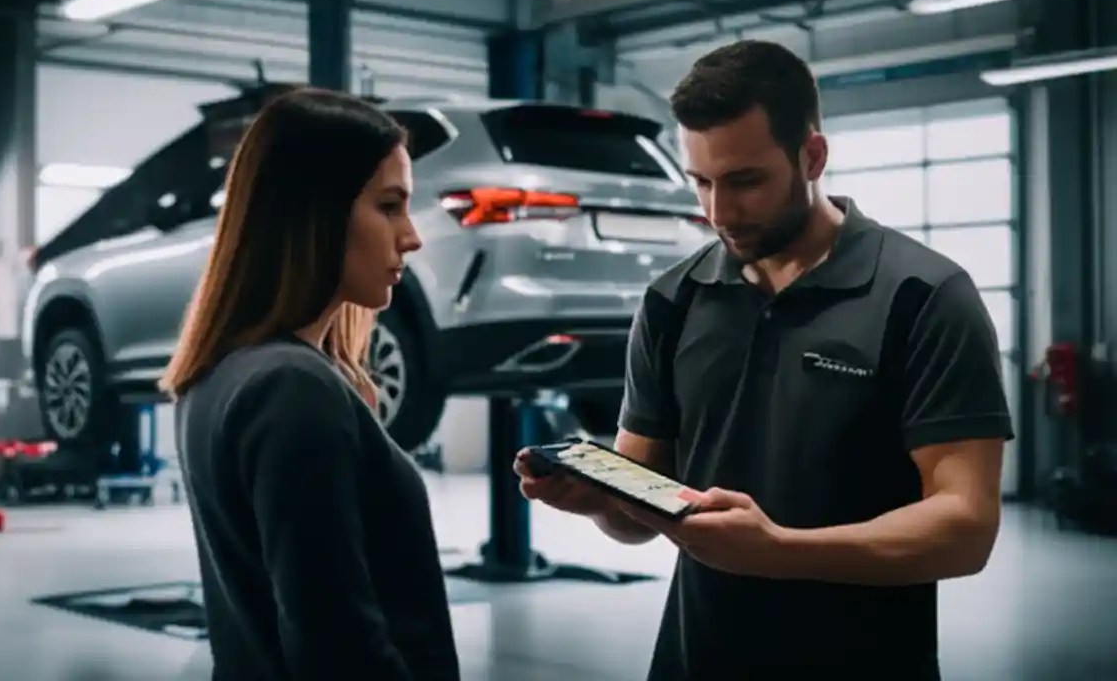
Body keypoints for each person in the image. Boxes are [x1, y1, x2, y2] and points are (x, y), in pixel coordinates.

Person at [515, 39, 1012, 679]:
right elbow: (639, 518)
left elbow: (966, 527)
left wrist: (780, 551)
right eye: (702, 183)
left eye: (745, 181)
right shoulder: (673, 301)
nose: (719, 212)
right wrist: (598, 501)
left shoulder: (924, 297)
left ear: (812, 156)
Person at [159, 87, 460, 681]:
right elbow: (339, 649)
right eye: (389, 206)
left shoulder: (219, 375)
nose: (412, 235)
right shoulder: (292, 389)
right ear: (316, 212)